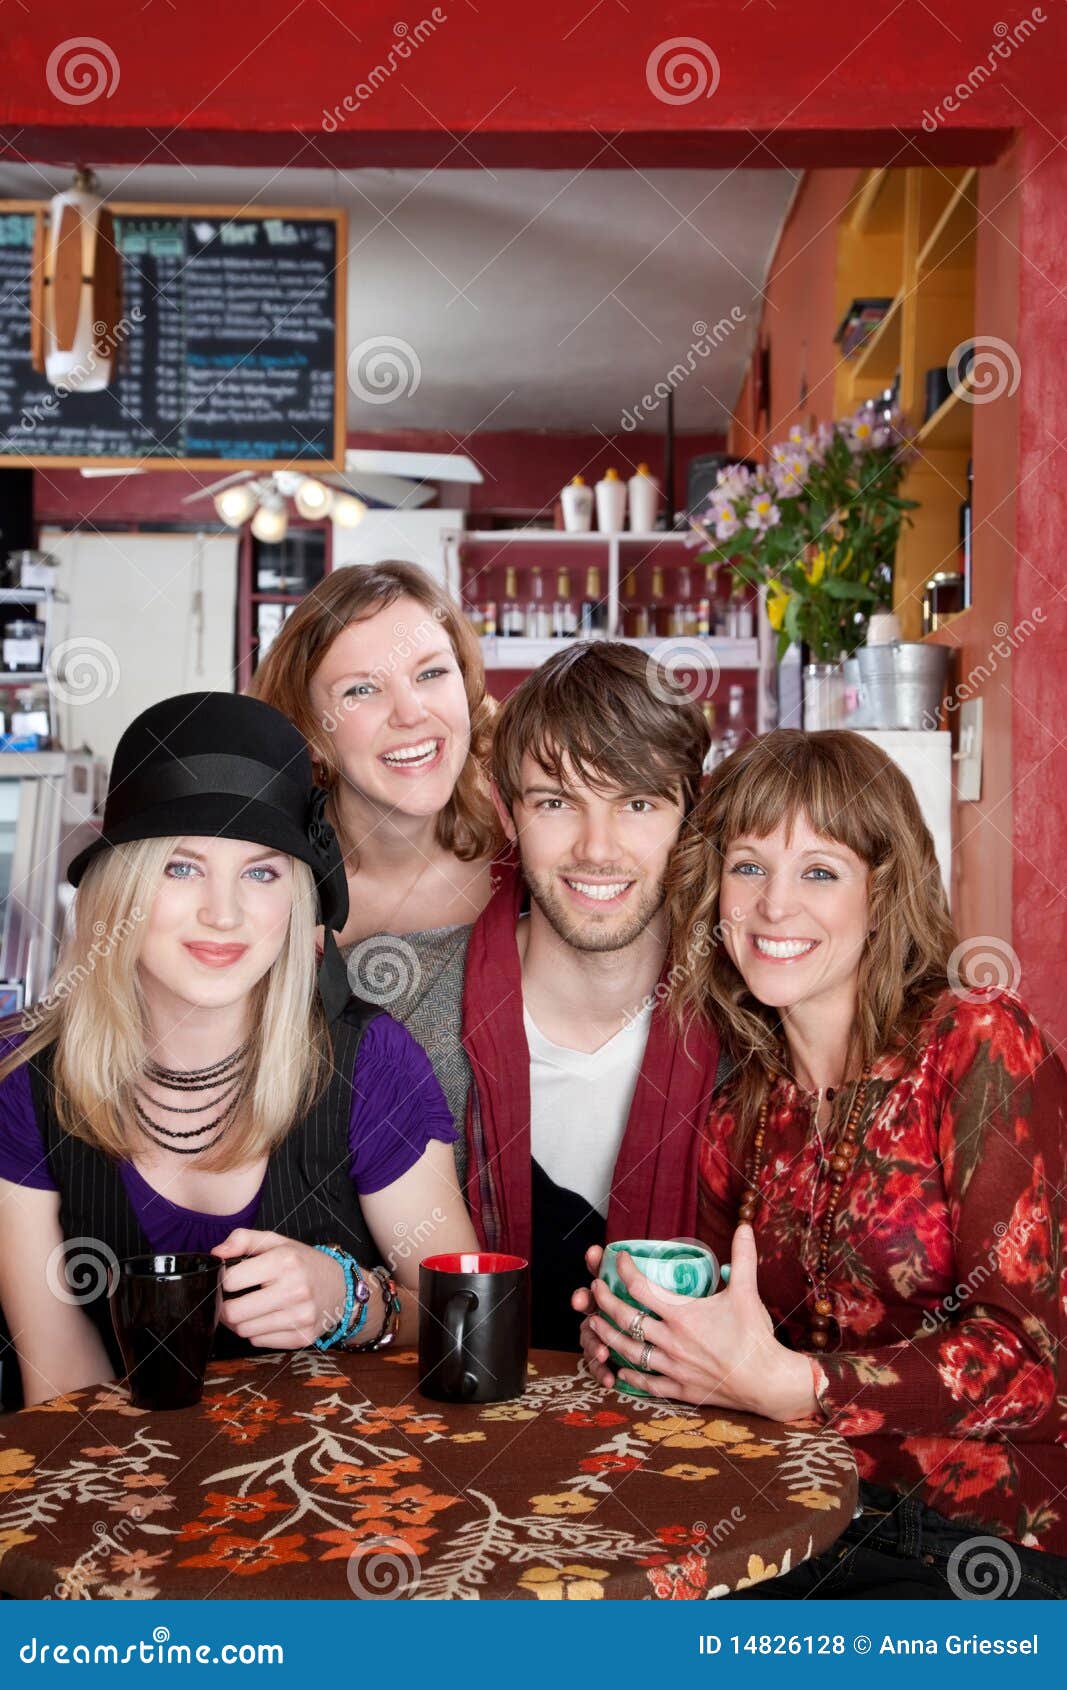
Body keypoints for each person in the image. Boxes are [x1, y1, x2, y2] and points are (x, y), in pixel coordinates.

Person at [577, 728, 1067, 1598]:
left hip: (986, 1545)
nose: (772, 907)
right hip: (805, 1520)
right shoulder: (740, 1108)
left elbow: (1029, 1368)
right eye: (749, 866)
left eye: (818, 872)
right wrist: (653, 1345)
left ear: (883, 896)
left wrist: (797, 1383)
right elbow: (734, 1354)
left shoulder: (976, 1044)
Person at [0, 691, 477, 1410]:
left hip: (339, 1491)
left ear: (297, 897)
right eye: (181, 868)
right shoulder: (23, 1077)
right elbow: (58, 1380)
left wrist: (347, 1303)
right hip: (112, 1492)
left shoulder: (370, 1064)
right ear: (119, 887)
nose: (222, 913)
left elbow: (466, 1318)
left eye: (260, 872)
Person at [462, 641, 721, 1353]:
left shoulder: (755, 1026)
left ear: (688, 814)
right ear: (506, 812)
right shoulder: (409, 1017)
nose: (596, 848)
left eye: (636, 803)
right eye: (556, 802)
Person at [250, 561, 502, 1181]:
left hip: (496, 1255)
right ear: (310, 731)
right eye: (361, 689)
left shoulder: (532, 860)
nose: (411, 713)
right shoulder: (264, 885)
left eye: (432, 674)